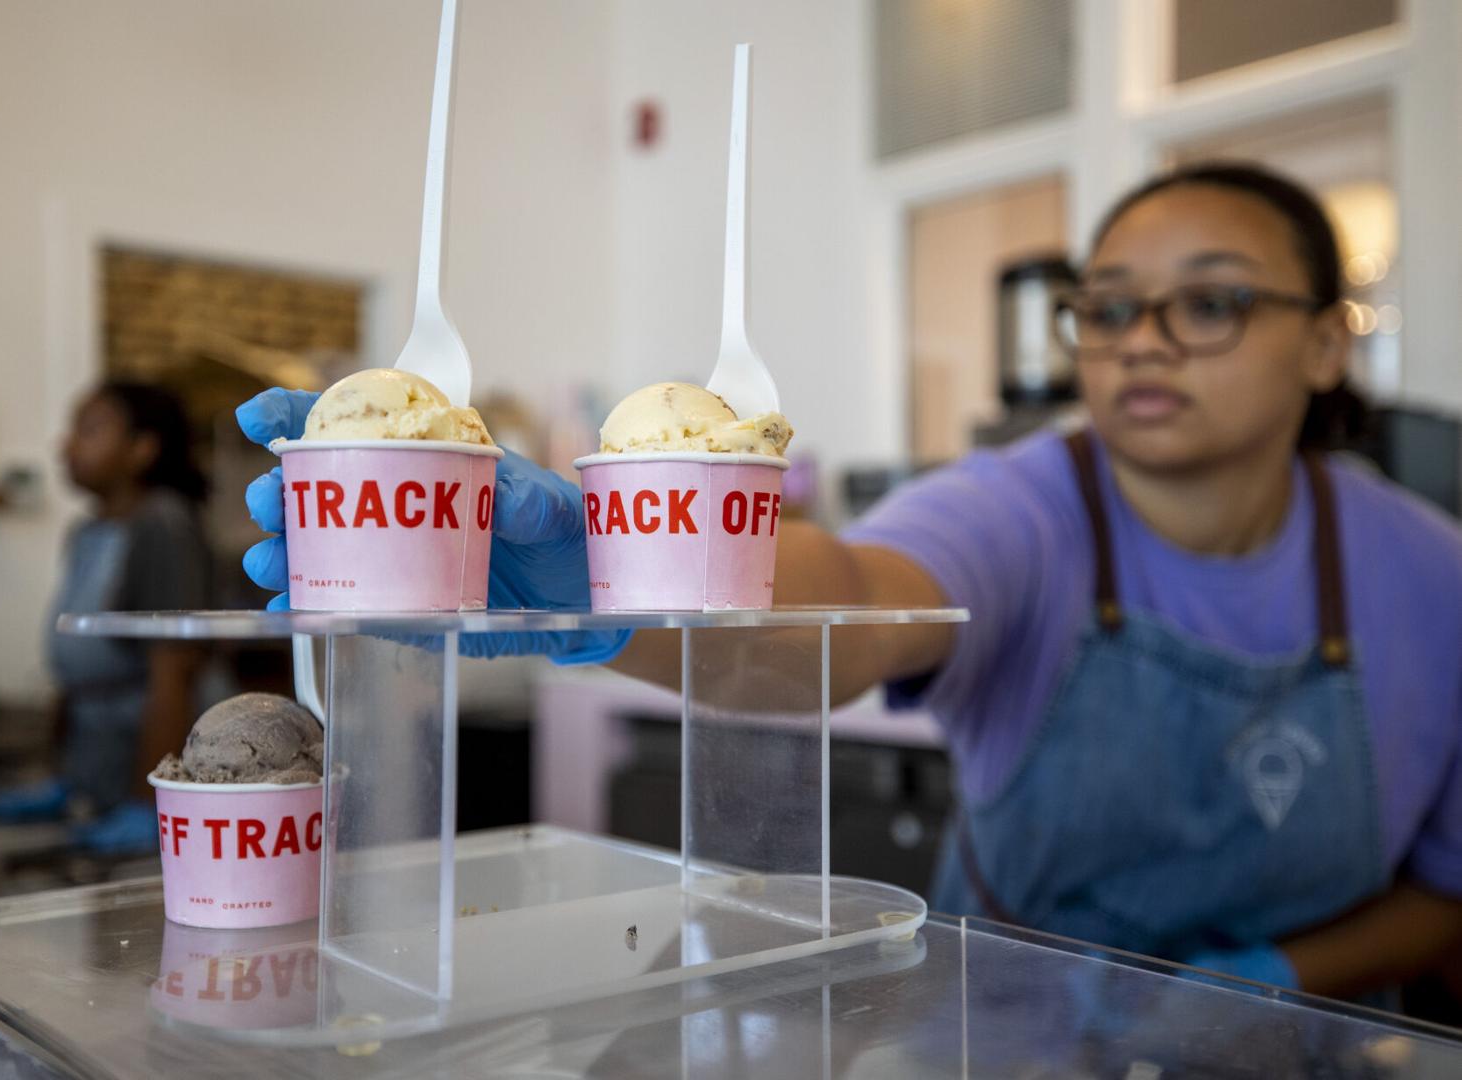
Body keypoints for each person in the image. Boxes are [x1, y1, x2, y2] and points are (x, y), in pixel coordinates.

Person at [237, 163, 1462, 1004]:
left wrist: (1269, 983)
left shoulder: (1432, 575)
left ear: (1323, 339)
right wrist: (616, 584)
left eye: (1212, 302)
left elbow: (1452, 893)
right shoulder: (1027, 506)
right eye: (1108, 307)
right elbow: (843, 599)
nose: (1142, 338)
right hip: (1013, 1035)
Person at [0, 382, 214, 853]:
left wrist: (151, 803)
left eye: (89, 430)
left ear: (141, 449)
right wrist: (62, 778)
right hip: (95, 766)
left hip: (148, 769)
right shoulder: (88, 532)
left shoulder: (162, 525)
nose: (66, 445)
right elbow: (76, 668)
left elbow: (173, 672)